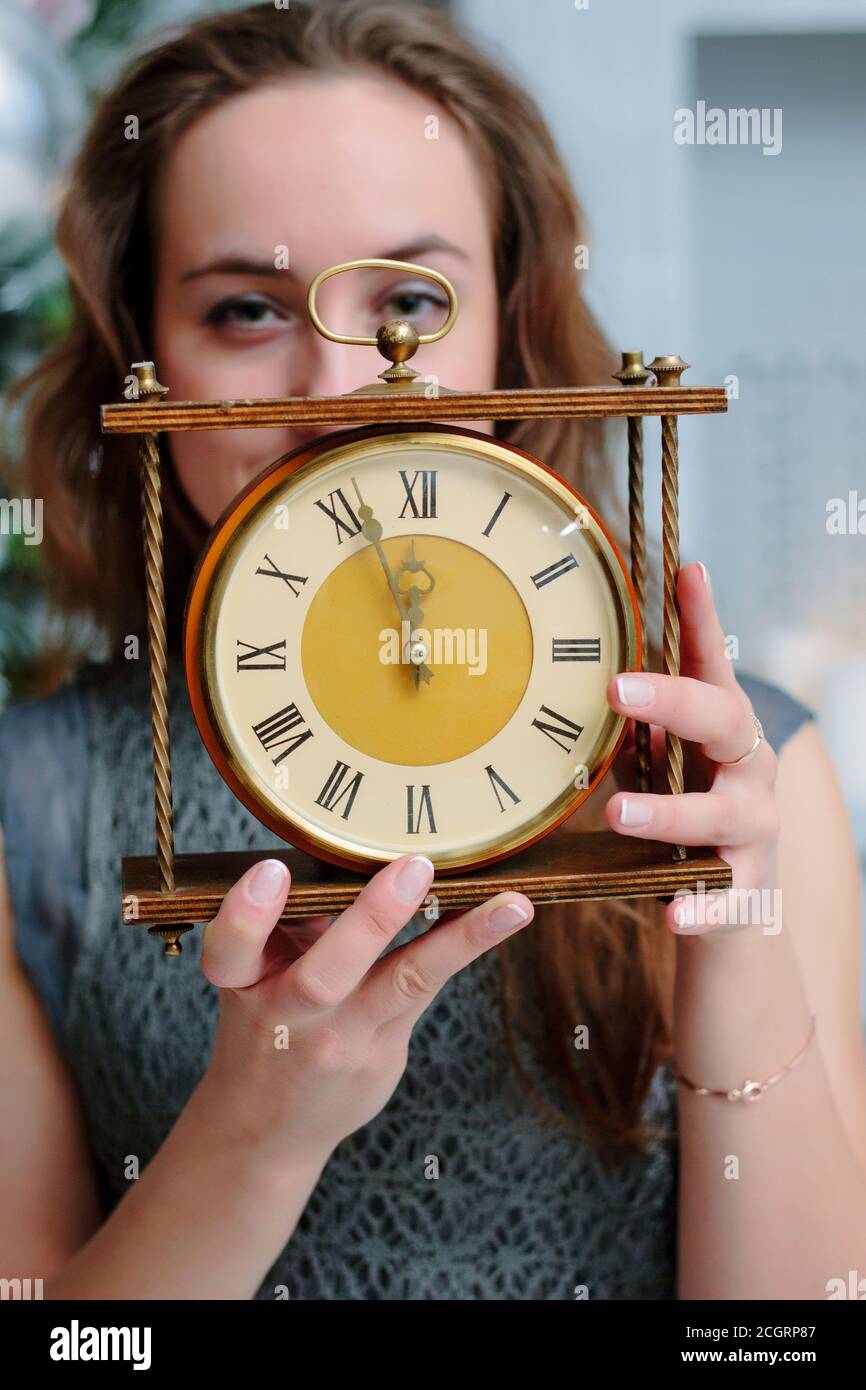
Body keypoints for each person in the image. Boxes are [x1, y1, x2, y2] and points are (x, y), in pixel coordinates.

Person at [1, 0, 864, 1302]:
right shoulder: (31, 802)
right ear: (146, 363)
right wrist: (255, 1129)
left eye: (409, 297)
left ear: (511, 328)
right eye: (244, 309)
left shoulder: (749, 769)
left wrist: (733, 953)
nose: (345, 385)